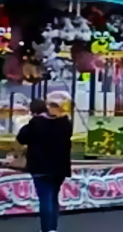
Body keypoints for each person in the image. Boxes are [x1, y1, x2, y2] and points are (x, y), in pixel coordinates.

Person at [16, 95, 72, 233]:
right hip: (60, 166)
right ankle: (53, 228)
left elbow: (22, 137)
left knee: (45, 198)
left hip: (41, 166)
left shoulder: (37, 123)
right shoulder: (66, 123)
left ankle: (46, 228)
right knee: (54, 197)